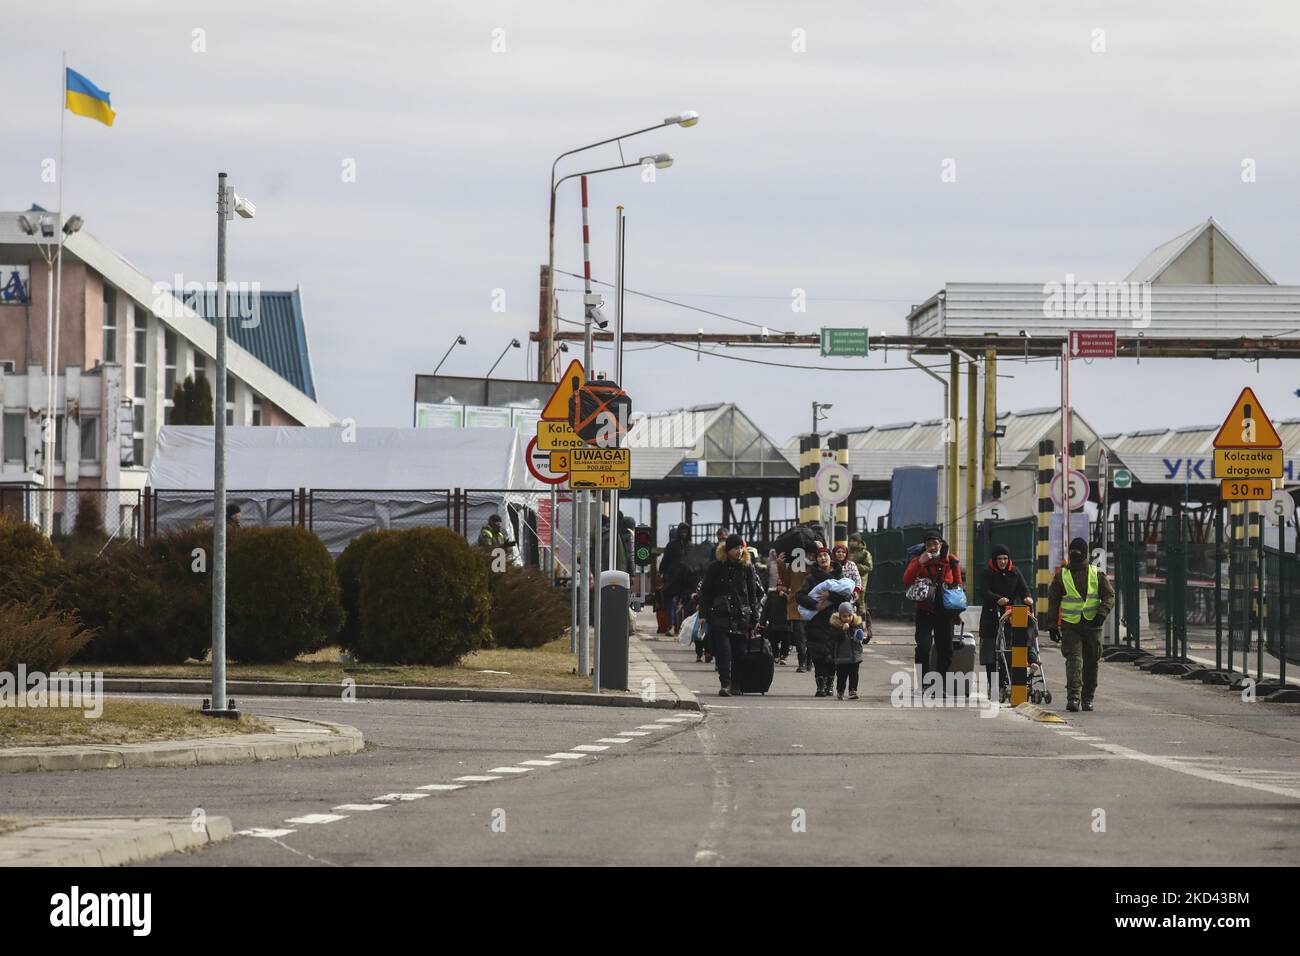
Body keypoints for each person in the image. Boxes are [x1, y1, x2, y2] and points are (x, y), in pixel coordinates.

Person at [1046, 537, 1115, 713]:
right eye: (1072, 552)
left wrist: (1102, 613)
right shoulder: (1062, 575)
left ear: (1084, 553)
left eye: (1077, 552)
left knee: (1092, 661)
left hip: (1093, 625)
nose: (1074, 554)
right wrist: (1053, 625)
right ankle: (1073, 698)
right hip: (1071, 626)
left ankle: (1088, 698)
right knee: (1074, 661)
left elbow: (1109, 595)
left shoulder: (1096, 573)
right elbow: (1053, 600)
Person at [902, 529, 964, 694]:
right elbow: (907, 580)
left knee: (946, 648)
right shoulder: (918, 560)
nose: (932, 547)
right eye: (928, 544)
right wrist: (919, 563)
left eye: (935, 543)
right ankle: (924, 684)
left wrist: (958, 613)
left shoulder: (951, 560)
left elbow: (958, 586)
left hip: (945, 611)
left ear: (941, 544)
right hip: (924, 610)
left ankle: (940, 684)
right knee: (923, 646)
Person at [698, 533, 760, 697]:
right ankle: (725, 683)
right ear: (727, 549)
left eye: (741, 547)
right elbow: (705, 593)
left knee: (740, 652)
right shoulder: (715, 567)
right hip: (720, 615)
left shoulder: (748, 568)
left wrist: (755, 619)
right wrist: (703, 614)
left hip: (741, 616)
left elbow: (753, 595)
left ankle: (736, 683)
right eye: (735, 548)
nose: (739, 551)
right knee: (723, 650)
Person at [978, 544, 1032, 699]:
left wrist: (1027, 597)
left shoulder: (1014, 572)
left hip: (1009, 617)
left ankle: (1006, 682)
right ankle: (993, 686)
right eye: (999, 559)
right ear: (995, 560)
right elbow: (984, 591)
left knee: (1007, 651)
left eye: (1005, 558)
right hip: (991, 617)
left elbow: (1023, 588)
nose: (1002, 561)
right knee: (991, 654)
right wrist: (997, 599)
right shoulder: (988, 573)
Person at [797, 546, 850, 697]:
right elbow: (800, 596)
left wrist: (830, 596)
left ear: (830, 558)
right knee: (817, 654)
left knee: (833, 654)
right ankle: (820, 685)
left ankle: (829, 683)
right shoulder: (810, 578)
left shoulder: (839, 577)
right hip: (816, 621)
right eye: (820, 556)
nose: (823, 558)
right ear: (816, 559)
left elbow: (846, 597)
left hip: (835, 621)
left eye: (825, 555)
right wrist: (815, 605)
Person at [658, 523, 693, 633]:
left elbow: (665, 561)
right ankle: (673, 626)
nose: (684, 533)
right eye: (682, 530)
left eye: (685, 531)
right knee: (673, 603)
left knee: (678, 604)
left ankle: (677, 627)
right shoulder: (674, 545)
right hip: (674, 579)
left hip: (684, 579)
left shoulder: (688, 546)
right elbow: (665, 561)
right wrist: (663, 572)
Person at [848, 533, 874, 612]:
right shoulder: (848, 551)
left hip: (860, 581)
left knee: (860, 603)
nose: (852, 543)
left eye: (854, 541)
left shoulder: (865, 553)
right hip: (848, 580)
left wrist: (856, 566)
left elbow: (869, 567)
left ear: (859, 542)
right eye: (851, 541)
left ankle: (864, 620)